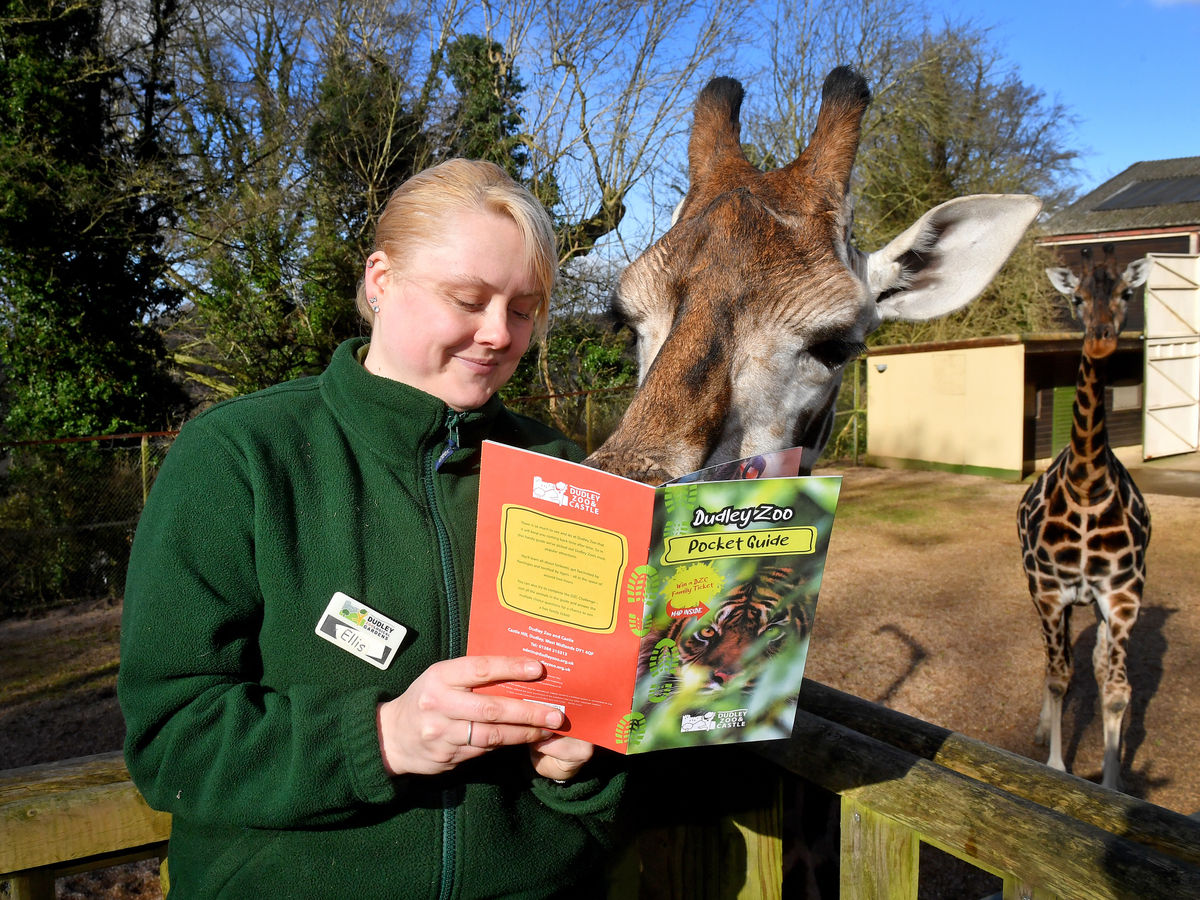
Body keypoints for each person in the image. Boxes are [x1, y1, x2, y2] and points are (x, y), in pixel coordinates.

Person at [118, 159, 626, 899]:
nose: (498, 334)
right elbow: (171, 743)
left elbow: (601, 738)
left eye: (523, 308)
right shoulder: (239, 457)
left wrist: (581, 770)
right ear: (382, 279)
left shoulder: (566, 475)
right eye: (467, 298)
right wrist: (386, 737)